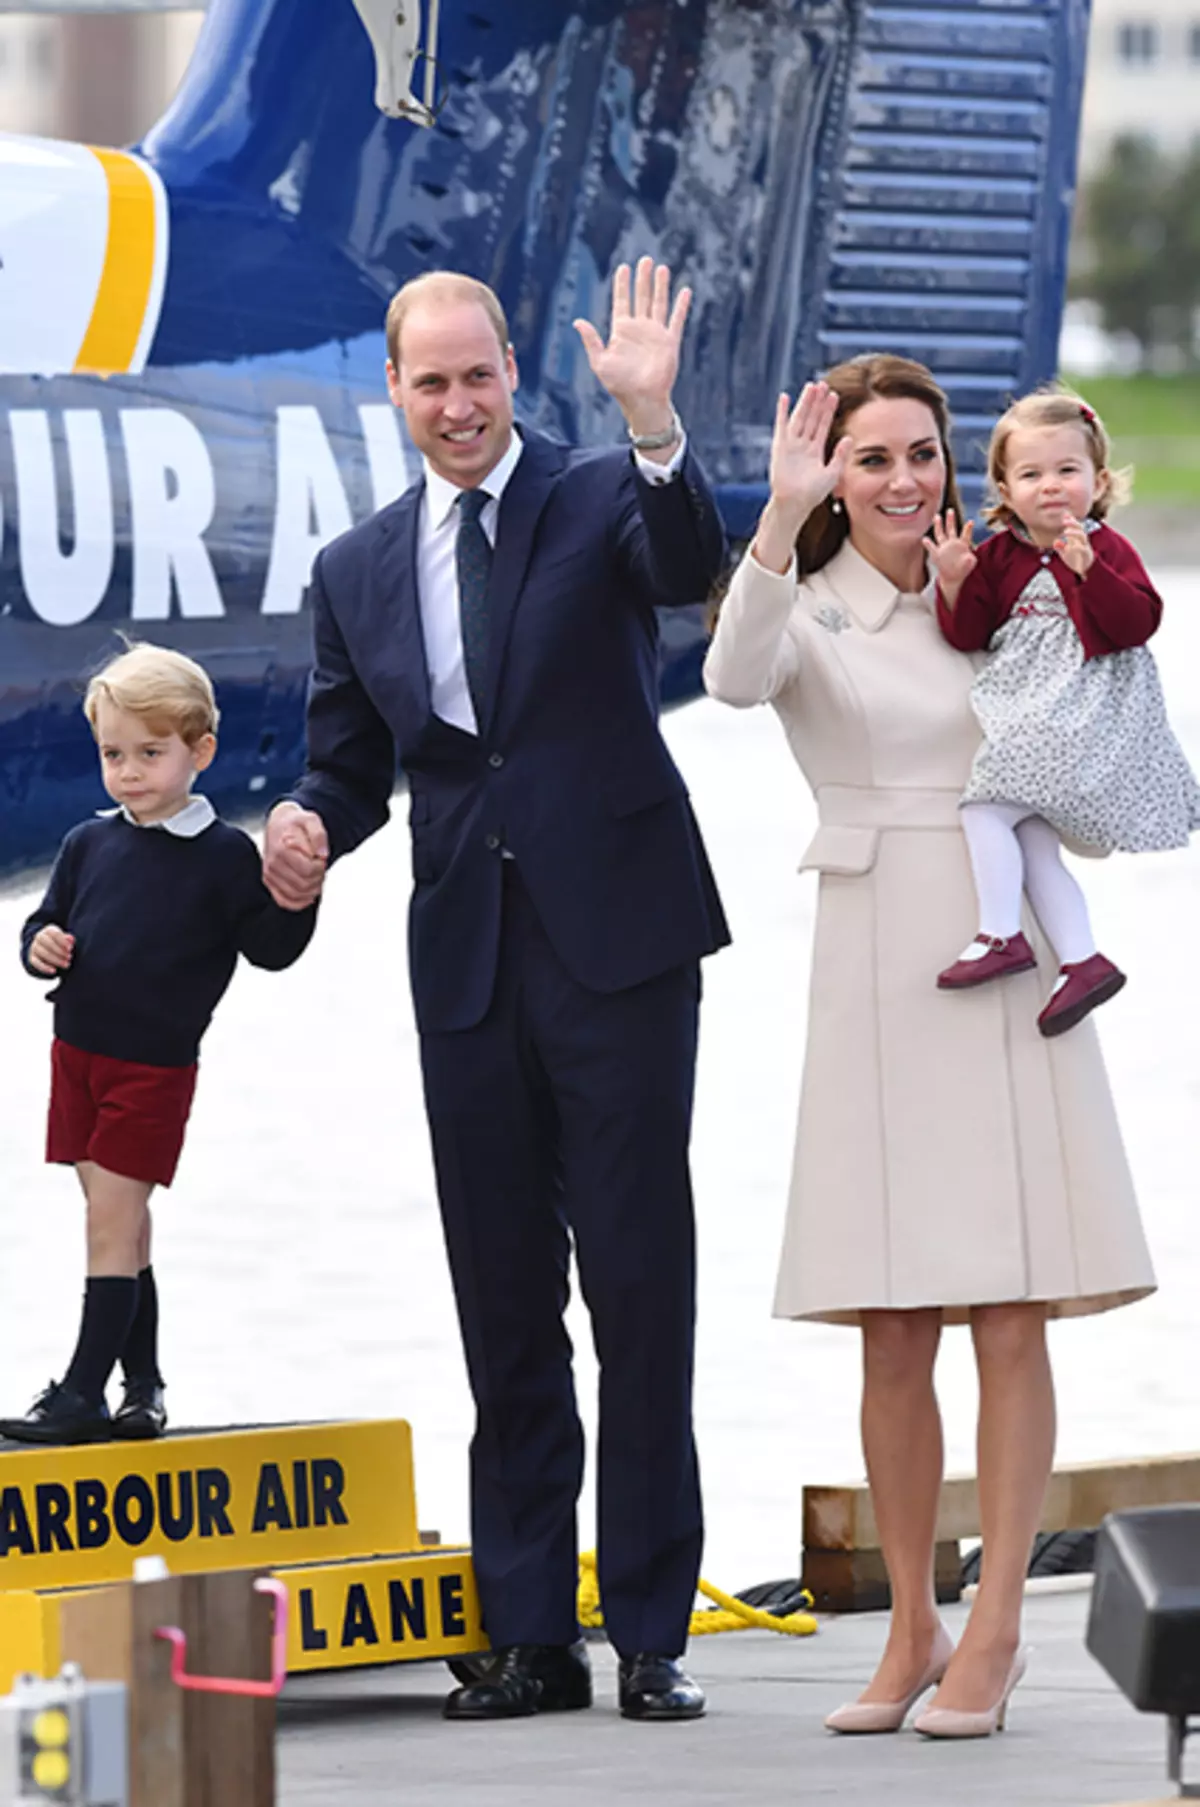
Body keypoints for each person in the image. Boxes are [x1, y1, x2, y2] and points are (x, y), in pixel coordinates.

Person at [261, 261, 729, 1722]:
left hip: (621, 941)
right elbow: (355, 765)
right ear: (392, 393)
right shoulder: (354, 568)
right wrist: (307, 829)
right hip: (466, 958)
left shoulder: (599, 493)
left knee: (641, 1285)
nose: (457, 405)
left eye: (478, 376)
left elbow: (684, 566)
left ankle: (652, 1627)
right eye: (429, 382)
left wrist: (655, 426)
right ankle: (531, 1626)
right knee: (504, 1300)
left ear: (515, 372)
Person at [703, 357, 1155, 1740]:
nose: (905, 480)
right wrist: (777, 524)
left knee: (1010, 1309)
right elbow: (729, 679)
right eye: (874, 457)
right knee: (890, 1324)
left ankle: (1003, 1623)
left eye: (923, 453)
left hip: (1003, 947)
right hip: (871, 960)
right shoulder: (802, 599)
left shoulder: (1008, 582)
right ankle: (912, 1621)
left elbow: (1085, 739)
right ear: (834, 471)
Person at [2, 644, 316, 1448]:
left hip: (151, 1069)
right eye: (114, 753)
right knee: (127, 1229)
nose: (130, 771)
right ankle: (141, 1388)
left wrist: (300, 893)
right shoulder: (89, 842)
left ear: (200, 751)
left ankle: (80, 1392)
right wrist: (40, 943)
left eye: (151, 752)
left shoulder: (221, 856)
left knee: (111, 1223)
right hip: (76, 1057)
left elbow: (270, 946)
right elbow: (46, 921)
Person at [930, 386, 1200, 1035]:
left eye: (1067, 470)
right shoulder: (998, 555)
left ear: (1098, 479)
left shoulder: (1106, 547)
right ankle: (1081, 958)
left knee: (986, 806)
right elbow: (968, 635)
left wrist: (1088, 572)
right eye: (1031, 473)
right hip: (1032, 720)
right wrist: (953, 579)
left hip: (1083, 722)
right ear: (1004, 484)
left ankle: (1000, 934)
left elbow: (1136, 625)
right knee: (1032, 839)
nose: (1051, 486)